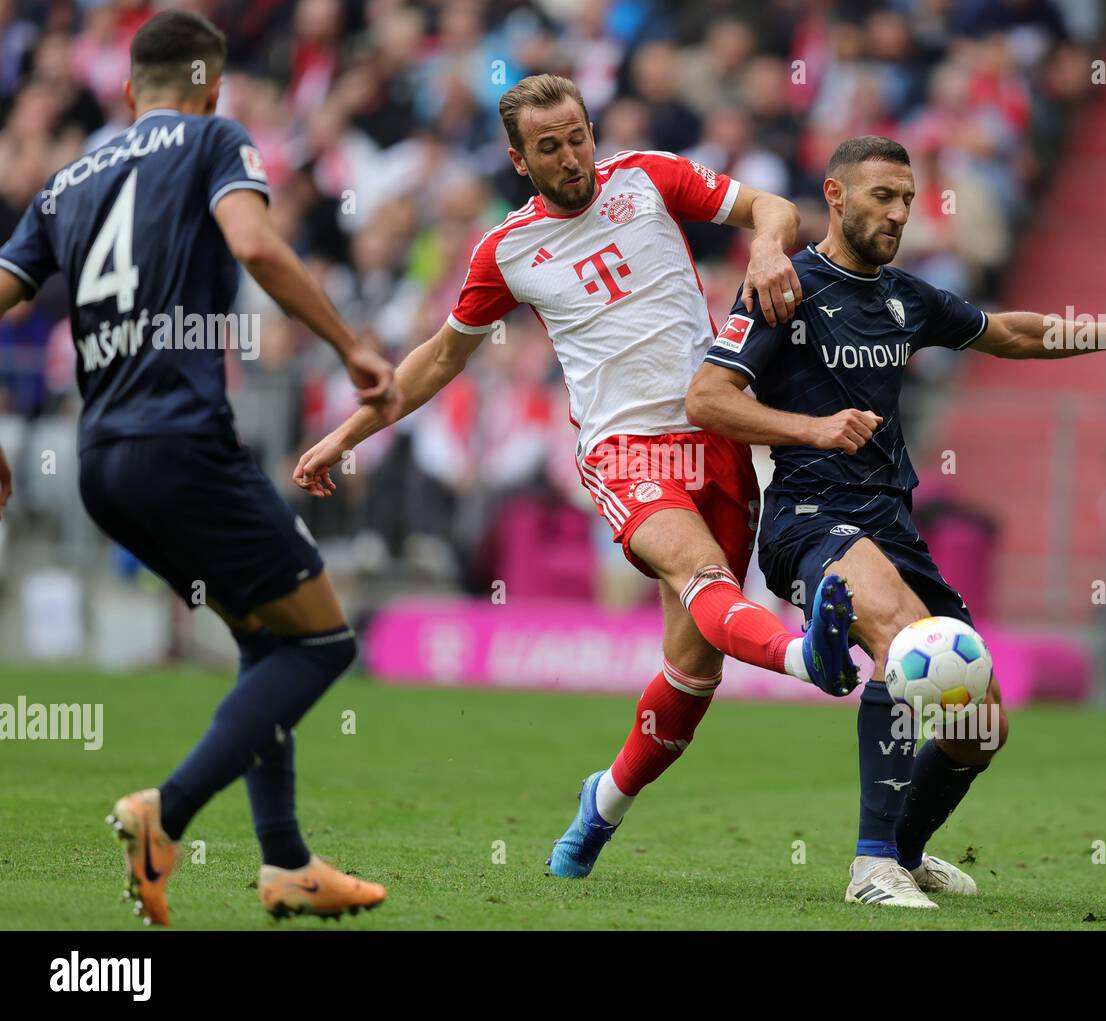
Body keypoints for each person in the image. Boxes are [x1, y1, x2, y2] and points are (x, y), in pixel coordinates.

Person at [293, 74, 861, 882]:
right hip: (623, 450)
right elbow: (436, 361)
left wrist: (768, 244)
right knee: (696, 570)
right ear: (520, 160)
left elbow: (774, 207)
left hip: (717, 435)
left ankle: (604, 804)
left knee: (693, 676)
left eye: (578, 137)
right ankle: (811, 660)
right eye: (549, 148)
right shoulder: (507, 251)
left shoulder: (650, 177)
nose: (571, 158)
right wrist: (345, 434)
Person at [686, 135, 1106, 909]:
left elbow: (1016, 334)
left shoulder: (909, 297)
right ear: (835, 197)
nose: (899, 212)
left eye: (907, 198)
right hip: (812, 516)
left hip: (890, 522)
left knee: (980, 724)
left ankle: (905, 848)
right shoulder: (783, 285)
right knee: (907, 645)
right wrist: (815, 429)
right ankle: (871, 868)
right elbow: (706, 399)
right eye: (881, 196)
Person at [0, 10, 399, 925]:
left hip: (100, 460)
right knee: (323, 642)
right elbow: (255, 244)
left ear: (127, 87)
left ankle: (287, 863)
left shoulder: (66, 181)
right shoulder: (217, 137)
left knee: (266, 638)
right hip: (181, 444)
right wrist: (350, 347)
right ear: (209, 86)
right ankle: (164, 813)